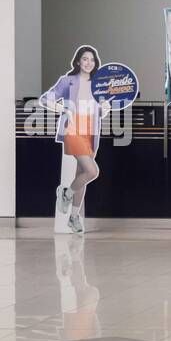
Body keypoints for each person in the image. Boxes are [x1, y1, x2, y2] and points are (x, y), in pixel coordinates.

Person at [40, 45, 106, 235]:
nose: (89, 62)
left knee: (82, 176)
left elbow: (99, 111)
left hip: (91, 133)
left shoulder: (98, 84)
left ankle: (73, 217)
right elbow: (46, 99)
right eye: (85, 59)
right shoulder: (67, 81)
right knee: (92, 171)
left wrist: (106, 107)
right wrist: (63, 109)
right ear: (78, 61)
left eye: (92, 59)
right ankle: (66, 193)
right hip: (73, 130)